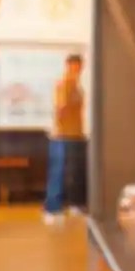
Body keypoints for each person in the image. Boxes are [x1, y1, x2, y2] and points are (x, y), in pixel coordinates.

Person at [43, 54, 86, 224]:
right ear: (68, 65)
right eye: (74, 66)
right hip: (62, 135)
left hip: (76, 134)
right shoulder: (64, 84)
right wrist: (59, 125)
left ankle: (74, 204)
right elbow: (60, 108)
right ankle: (52, 208)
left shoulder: (77, 85)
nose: (77, 70)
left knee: (75, 173)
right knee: (58, 172)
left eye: (79, 66)